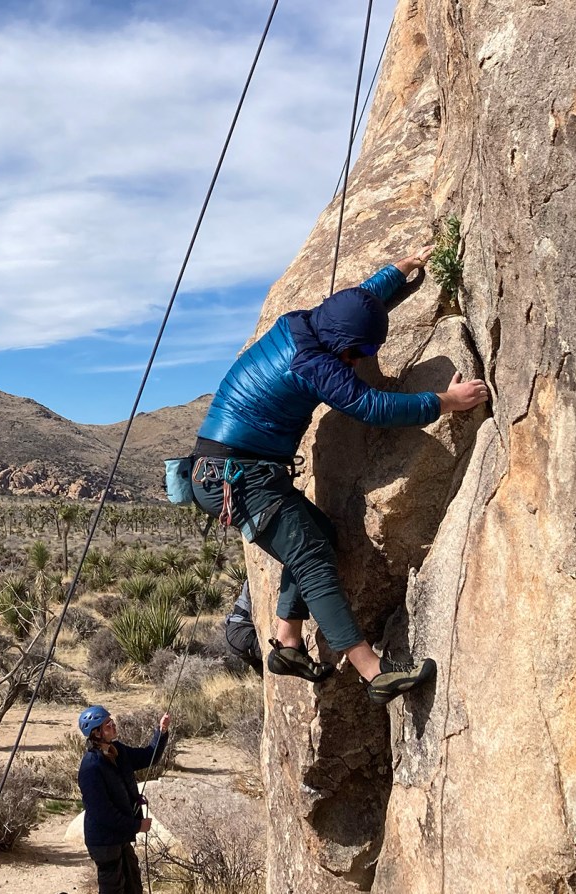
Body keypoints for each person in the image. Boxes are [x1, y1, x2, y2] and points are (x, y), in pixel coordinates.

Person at [191, 246, 490, 705]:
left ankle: (288, 643)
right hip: (235, 478)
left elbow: (355, 304)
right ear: (337, 348)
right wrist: (444, 402)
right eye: (354, 355)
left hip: (235, 471)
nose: (354, 362)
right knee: (310, 555)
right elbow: (373, 406)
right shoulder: (314, 364)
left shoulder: (302, 323)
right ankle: (373, 672)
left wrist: (400, 269)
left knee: (320, 536)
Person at [76, 705, 171, 894]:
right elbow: (104, 814)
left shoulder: (117, 751)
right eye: (108, 724)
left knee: (133, 885)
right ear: (96, 733)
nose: (113, 726)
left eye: (112, 722)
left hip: (120, 836)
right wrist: (137, 826)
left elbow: (148, 757)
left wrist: (161, 732)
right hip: (104, 841)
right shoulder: (91, 768)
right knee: (113, 889)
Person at [223, 580, 263, 675]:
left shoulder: (244, 602)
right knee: (273, 653)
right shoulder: (249, 589)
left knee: (261, 665)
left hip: (235, 638)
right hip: (239, 634)